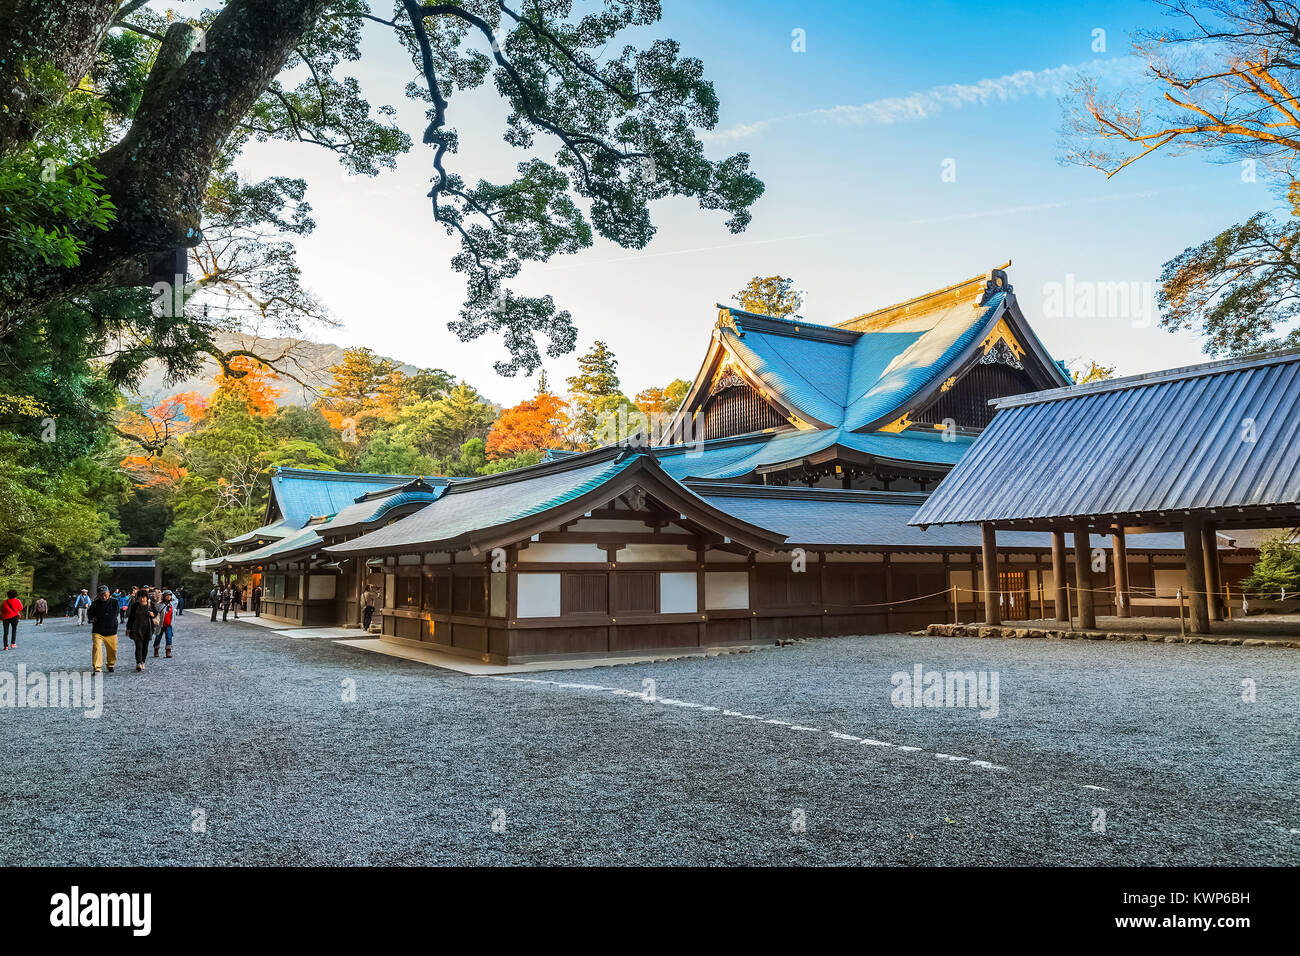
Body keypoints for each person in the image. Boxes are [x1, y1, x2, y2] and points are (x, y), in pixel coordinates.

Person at [88, 585, 120, 674]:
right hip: (98, 630)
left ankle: (110, 664)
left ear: (109, 593)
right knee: (97, 648)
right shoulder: (95, 604)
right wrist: (92, 619)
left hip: (111, 630)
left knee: (112, 650)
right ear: (98, 595)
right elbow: (90, 614)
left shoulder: (114, 602)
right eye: (101, 595)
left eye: (105, 594)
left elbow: (115, 614)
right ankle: (97, 667)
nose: (103, 596)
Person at [125, 590, 156, 672]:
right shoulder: (135, 606)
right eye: (140, 597)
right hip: (136, 629)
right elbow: (131, 618)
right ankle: (138, 663)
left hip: (147, 629)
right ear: (137, 598)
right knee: (138, 646)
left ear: (147, 598)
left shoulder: (150, 605)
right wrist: (128, 628)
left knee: (145, 647)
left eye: (144, 597)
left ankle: (143, 661)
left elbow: (156, 613)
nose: (142, 599)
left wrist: (153, 614)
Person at [154, 590, 176, 658]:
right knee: (158, 638)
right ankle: (156, 649)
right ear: (164, 596)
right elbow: (156, 612)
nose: (169, 597)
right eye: (167, 595)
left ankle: (168, 652)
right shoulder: (159, 604)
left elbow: (176, 600)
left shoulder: (173, 604)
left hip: (169, 624)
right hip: (160, 624)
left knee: (169, 638)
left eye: (170, 595)